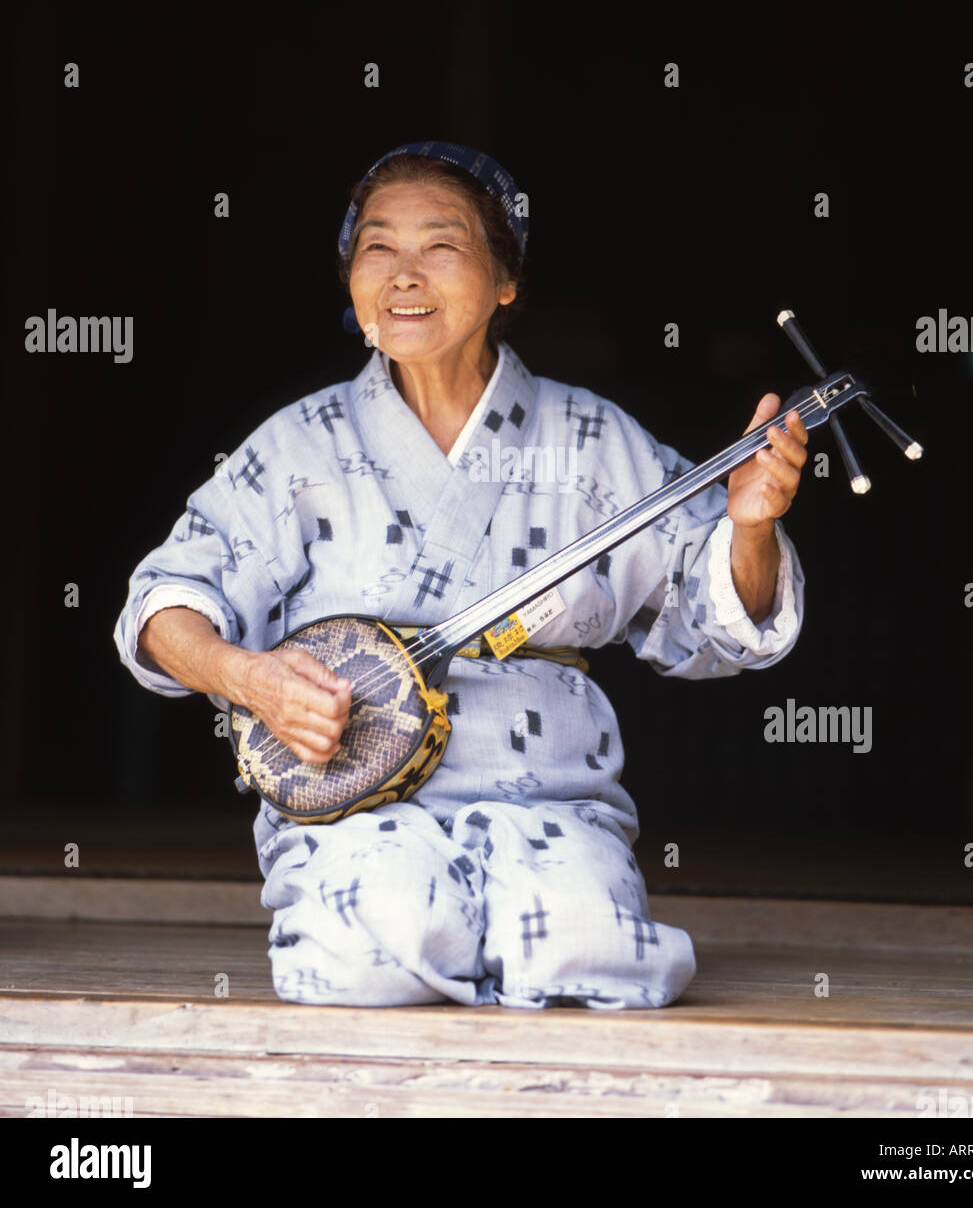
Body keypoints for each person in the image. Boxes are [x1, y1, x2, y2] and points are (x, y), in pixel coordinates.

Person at [113, 141, 809, 1010]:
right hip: (350, 804)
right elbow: (162, 606)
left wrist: (750, 530)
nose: (405, 274)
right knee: (377, 946)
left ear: (506, 281)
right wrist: (245, 677)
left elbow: (710, 617)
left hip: (550, 798)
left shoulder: (592, 441)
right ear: (351, 280)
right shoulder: (298, 444)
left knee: (592, 955)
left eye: (440, 246)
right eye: (377, 248)